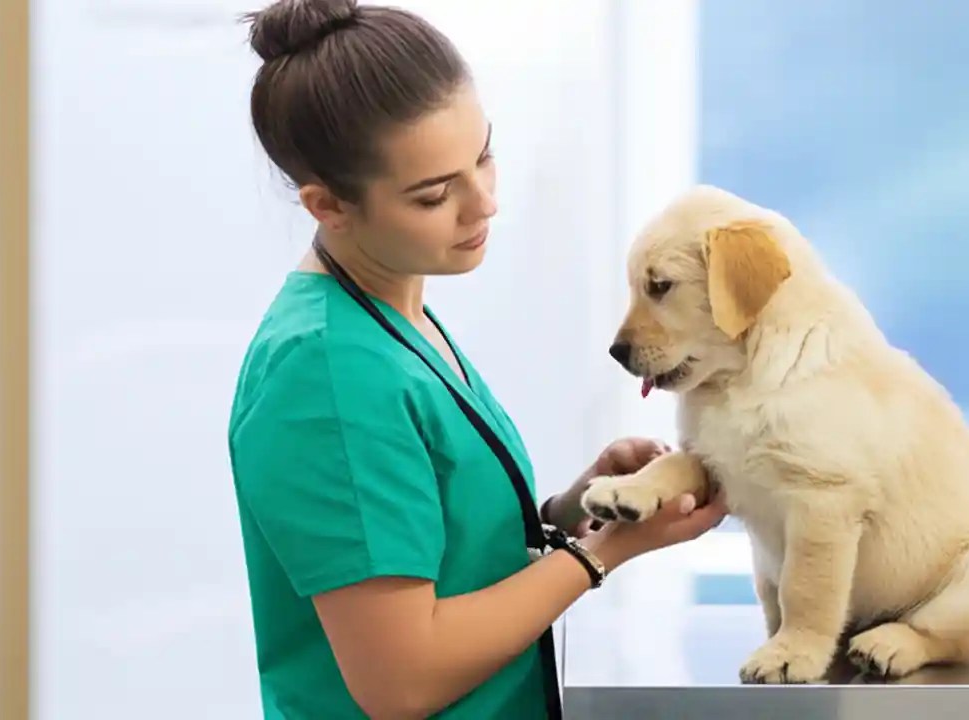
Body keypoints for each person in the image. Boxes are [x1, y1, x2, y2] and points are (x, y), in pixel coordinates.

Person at [226, 1, 728, 718]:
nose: (483, 203)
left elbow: (436, 552)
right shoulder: (328, 373)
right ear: (327, 205)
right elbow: (401, 678)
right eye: (434, 195)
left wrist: (569, 511)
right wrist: (600, 555)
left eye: (483, 156)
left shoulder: (393, 318)